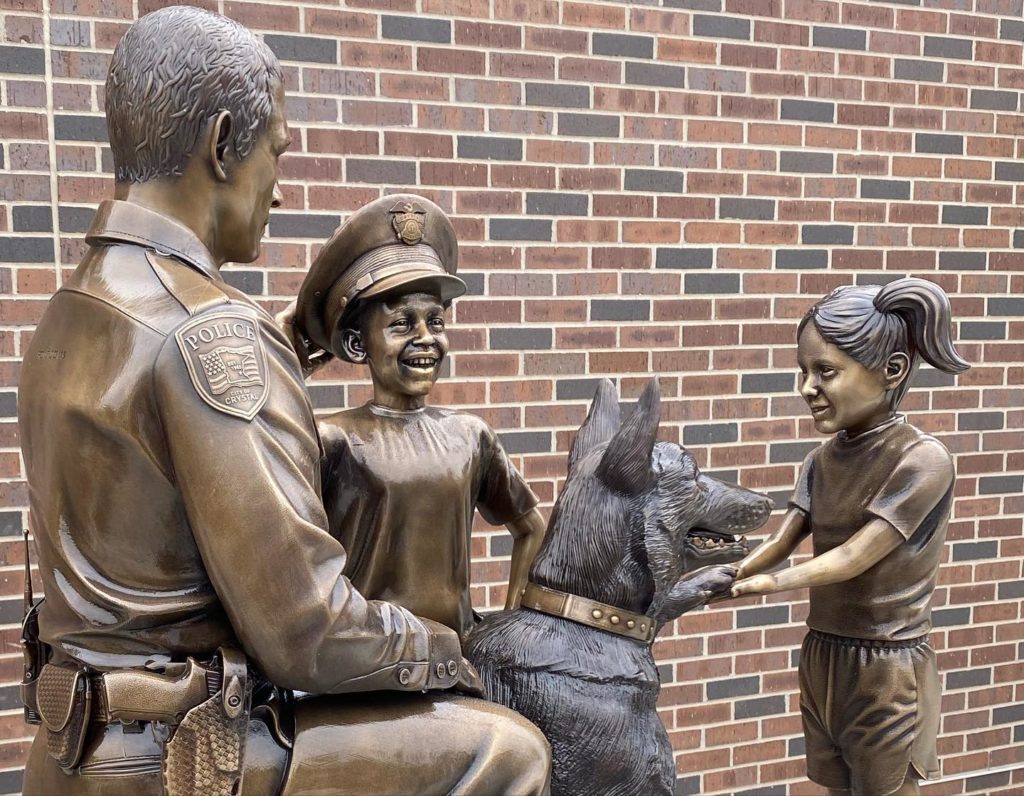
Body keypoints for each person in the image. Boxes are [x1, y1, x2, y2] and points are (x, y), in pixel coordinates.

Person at [18, 7, 549, 795]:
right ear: (222, 143)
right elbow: (309, 632)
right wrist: (445, 647)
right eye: (277, 151)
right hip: (190, 763)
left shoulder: (69, 314)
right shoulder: (211, 329)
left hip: (72, 751)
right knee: (506, 752)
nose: (279, 179)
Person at [730, 278, 970, 796]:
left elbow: (855, 556)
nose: (807, 388)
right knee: (836, 786)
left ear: (892, 371)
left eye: (825, 371)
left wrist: (772, 586)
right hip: (824, 653)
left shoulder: (922, 459)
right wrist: (734, 572)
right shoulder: (822, 459)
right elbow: (782, 540)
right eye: (803, 371)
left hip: (885, 665)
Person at [294, 193, 547, 640]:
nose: (426, 338)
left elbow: (530, 528)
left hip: (457, 665)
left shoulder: (471, 437)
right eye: (402, 324)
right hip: (363, 675)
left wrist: (510, 627)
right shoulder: (332, 439)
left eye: (436, 321)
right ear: (357, 345)